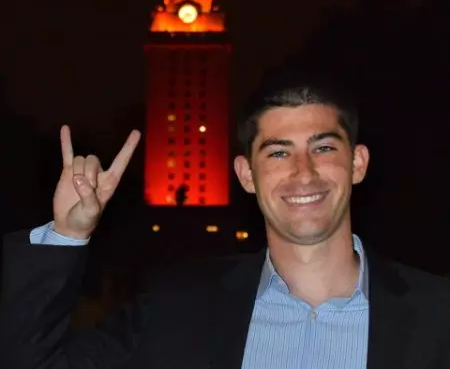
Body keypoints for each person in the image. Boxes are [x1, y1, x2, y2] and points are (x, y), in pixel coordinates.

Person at [1, 60, 450, 369]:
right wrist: (67, 233)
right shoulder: (177, 308)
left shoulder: (437, 315)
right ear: (246, 174)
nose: (303, 172)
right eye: (277, 153)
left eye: (324, 147)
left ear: (358, 163)